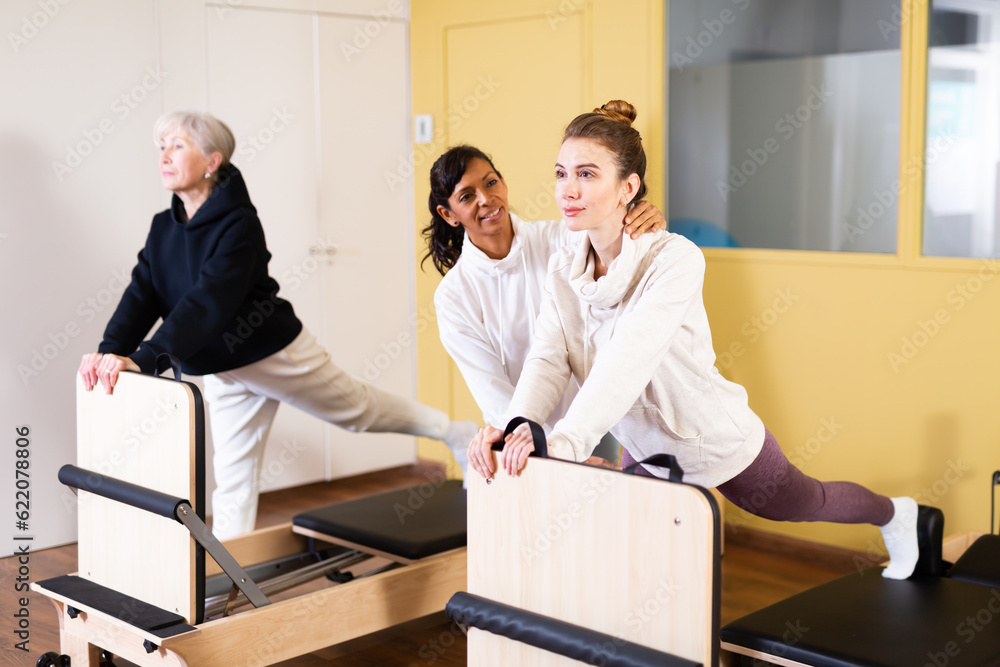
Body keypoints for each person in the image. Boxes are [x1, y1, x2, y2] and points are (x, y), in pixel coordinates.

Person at [466, 100, 920, 580]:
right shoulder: (564, 265)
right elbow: (548, 357)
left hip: (711, 436)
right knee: (635, 553)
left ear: (628, 188)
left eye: (586, 174)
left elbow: (629, 359)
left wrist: (567, 443)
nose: (567, 190)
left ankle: (897, 514)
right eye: (561, 173)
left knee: (803, 501)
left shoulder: (674, 260)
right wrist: (522, 424)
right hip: (646, 447)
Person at [79, 111, 479, 541]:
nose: (164, 156)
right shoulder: (164, 227)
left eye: (177, 146)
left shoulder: (239, 224)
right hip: (220, 366)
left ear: (212, 161)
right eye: (161, 147)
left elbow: (207, 303)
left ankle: (456, 434)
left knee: (357, 412)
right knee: (232, 482)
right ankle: (230, 588)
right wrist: (110, 349)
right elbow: (143, 291)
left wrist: (143, 359)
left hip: (273, 354)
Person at [424, 145, 664, 462]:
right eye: (467, 196)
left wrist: (638, 217)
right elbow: (493, 394)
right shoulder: (454, 296)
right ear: (448, 214)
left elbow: (619, 245)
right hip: (527, 442)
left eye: (490, 183)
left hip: (602, 420)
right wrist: (552, 449)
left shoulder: (562, 240)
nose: (485, 199)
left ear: (504, 183)